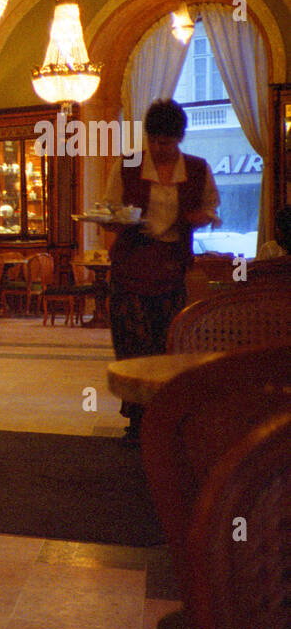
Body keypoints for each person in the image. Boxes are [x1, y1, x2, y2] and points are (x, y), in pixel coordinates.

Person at [100, 98, 220, 445]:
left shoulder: (197, 169)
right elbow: (110, 207)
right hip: (131, 266)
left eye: (165, 142)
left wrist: (202, 217)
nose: (157, 148)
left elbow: (211, 207)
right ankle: (137, 422)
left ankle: (166, 420)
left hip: (170, 267)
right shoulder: (129, 164)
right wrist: (118, 218)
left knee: (166, 346)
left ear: (180, 138)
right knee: (132, 346)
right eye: (153, 140)